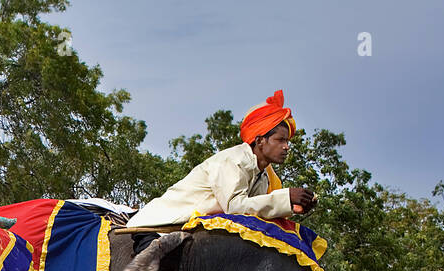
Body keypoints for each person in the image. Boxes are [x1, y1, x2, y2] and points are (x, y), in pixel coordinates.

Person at [127, 89, 318, 230]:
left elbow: (255, 211)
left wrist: (292, 206)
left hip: (196, 230)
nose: (286, 146)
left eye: (287, 141)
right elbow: (235, 208)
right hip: (160, 225)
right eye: (280, 140)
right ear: (260, 140)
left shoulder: (263, 175)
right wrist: (285, 197)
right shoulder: (232, 161)